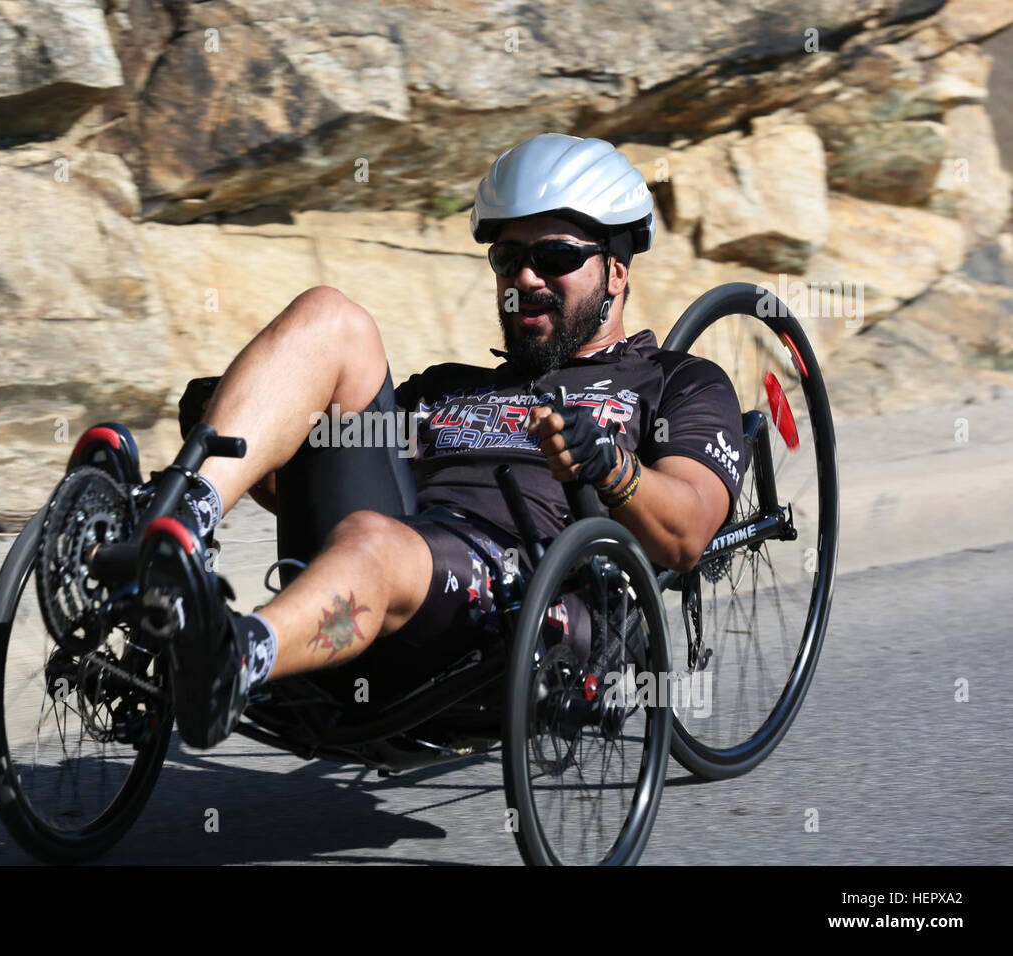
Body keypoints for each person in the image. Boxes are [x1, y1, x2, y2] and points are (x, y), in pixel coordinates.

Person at [87, 133, 745, 749]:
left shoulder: (671, 384)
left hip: (501, 600)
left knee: (375, 543)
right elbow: (300, 497)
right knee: (332, 318)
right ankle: (178, 516)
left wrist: (610, 465)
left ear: (617, 273)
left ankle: (238, 656)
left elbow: (687, 533)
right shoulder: (447, 385)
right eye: (509, 259)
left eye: (555, 258)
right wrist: (234, 433)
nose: (525, 279)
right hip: (364, 580)